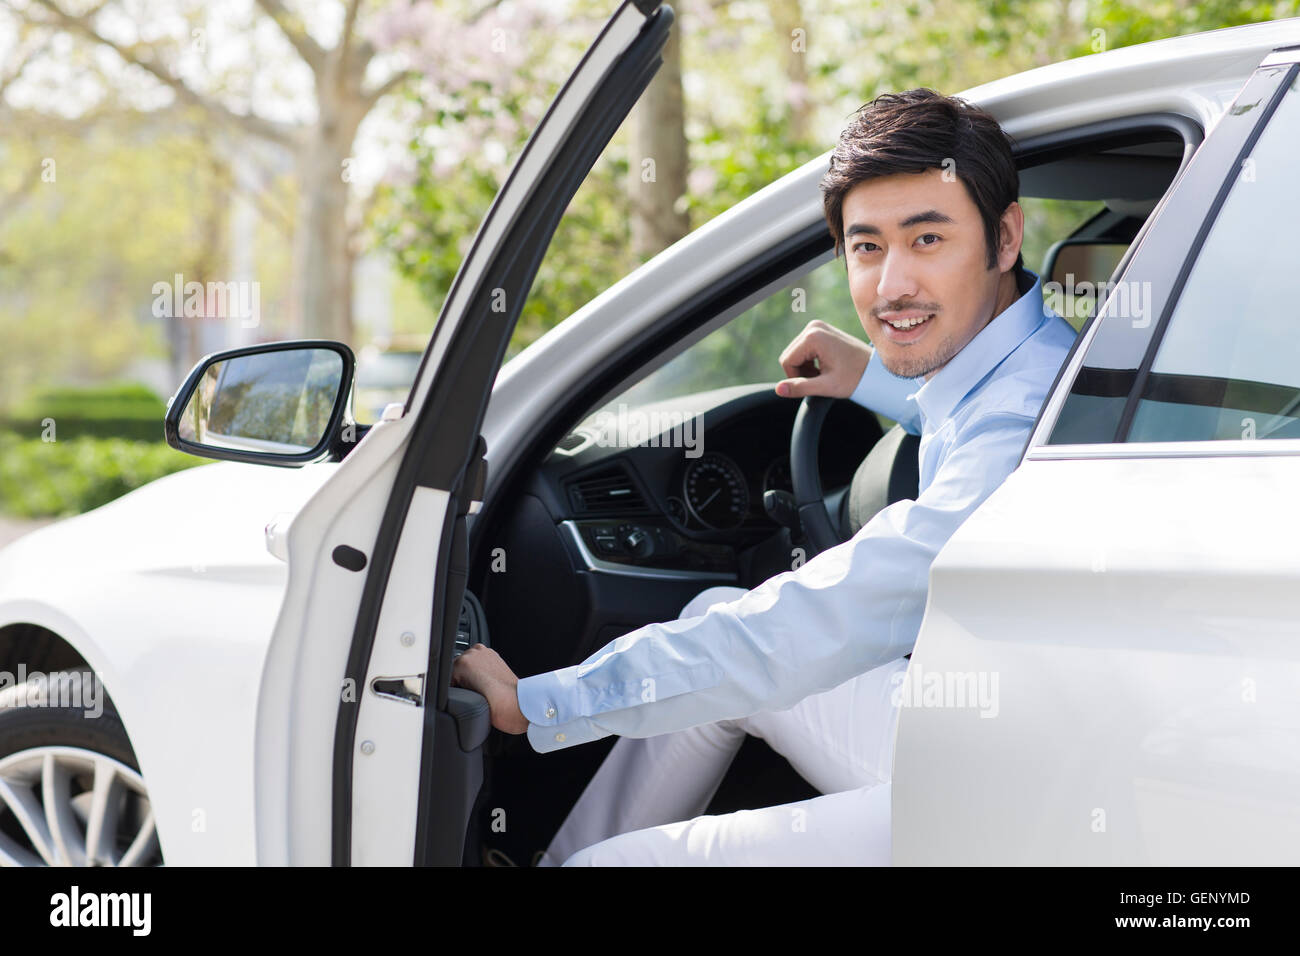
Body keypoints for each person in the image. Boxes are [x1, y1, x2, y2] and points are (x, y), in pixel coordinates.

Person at [453, 88, 1078, 865]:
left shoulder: (1017, 418)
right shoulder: (1046, 366)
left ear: (1006, 237)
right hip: (1005, 735)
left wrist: (538, 704)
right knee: (717, 607)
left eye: (927, 240)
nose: (890, 289)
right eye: (868, 247)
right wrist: (877, 381)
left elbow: (835, 611)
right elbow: (965, 418)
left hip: (1022, 805)